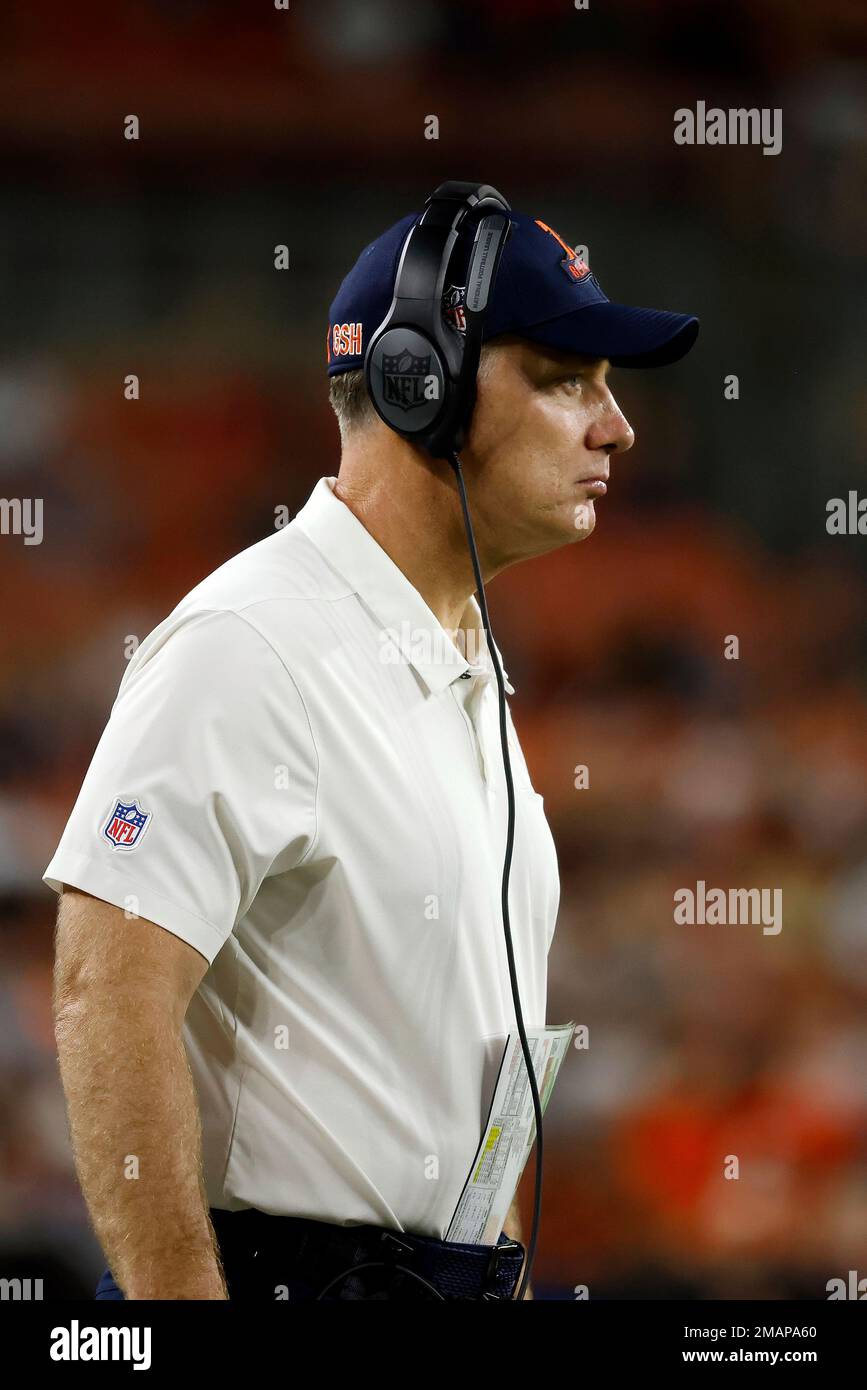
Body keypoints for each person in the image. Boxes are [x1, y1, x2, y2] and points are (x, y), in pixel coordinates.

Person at [46, 196, 698, 1301]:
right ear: (419, 384)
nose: (615, 426)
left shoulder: (460, 658)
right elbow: (104, 986)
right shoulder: (252, 642)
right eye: (564, 378)